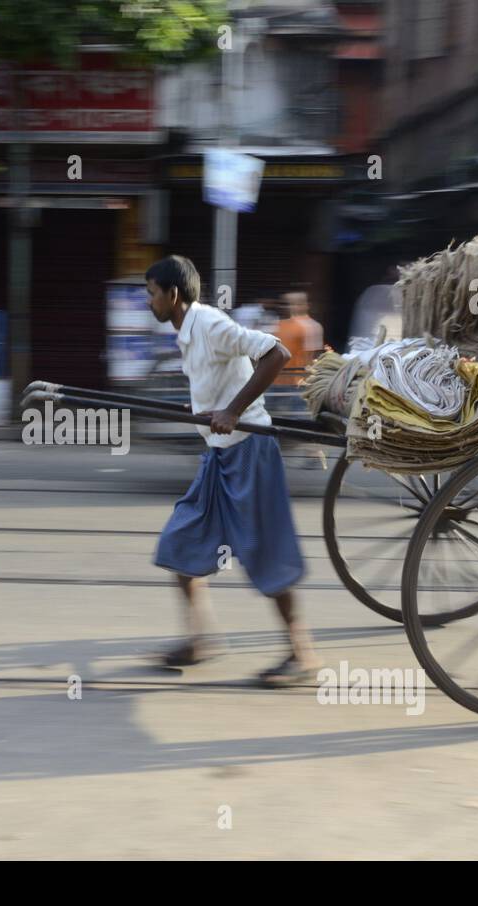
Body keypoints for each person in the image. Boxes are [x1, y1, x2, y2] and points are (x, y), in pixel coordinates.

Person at [144, 255, 323, 686]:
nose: (148, 301)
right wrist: (206, 408)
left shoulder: (208, 323)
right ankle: (200, 640)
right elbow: (219, 378)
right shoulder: (188, 334)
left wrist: (232, 409)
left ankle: (302, 654)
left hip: (249, 451)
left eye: (151, 293)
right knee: (181, 541)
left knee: (266, 553)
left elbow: (274, 353)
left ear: (172, 294)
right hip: (220, 454)